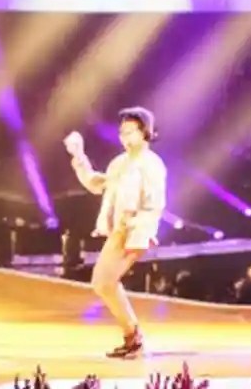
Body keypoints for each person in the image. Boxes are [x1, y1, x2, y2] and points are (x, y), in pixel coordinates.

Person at [64, 107, 168, 359]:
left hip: (134, 231)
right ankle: (133, 337)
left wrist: (138, 235)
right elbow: (94, 183)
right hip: (118, 231)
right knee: (102, 283)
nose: (124, 137)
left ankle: (134, 338)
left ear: (146, 132)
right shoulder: (119, 163)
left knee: (104, 282)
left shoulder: (151, 164)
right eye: (122, 132)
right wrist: (79, 155)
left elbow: (155, 204)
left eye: (130, 131)